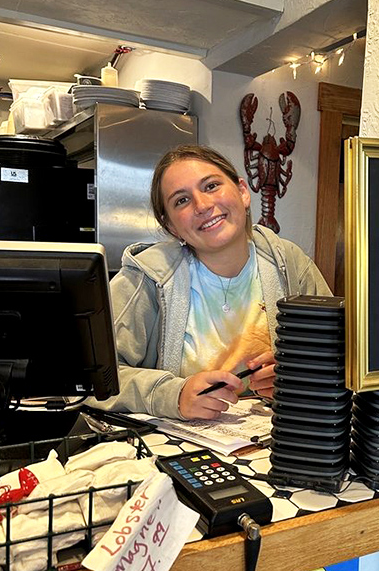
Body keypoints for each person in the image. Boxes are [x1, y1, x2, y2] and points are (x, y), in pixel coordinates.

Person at [96, 145, 330, 420]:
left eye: (211, 186)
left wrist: (296, 379)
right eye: (181, 200)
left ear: (243, 191)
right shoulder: (145, 278)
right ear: (171, 226)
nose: (203, 206)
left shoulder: (291, 264)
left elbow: (340, 358)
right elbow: (88, 377)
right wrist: (174, 395)